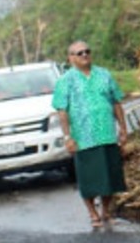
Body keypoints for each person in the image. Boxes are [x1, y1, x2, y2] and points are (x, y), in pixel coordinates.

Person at [53, 41, 128, 229]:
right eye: (79, 53)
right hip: (83, 138)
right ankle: (92, 213)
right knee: (88, 179)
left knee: (109, 176)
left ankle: (106, 211)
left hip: (106, 134)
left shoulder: (104, 74)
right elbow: (62, 110)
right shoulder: (65, 81)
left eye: (87, 51)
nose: (84, 55)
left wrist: (123, 129)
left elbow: (116, 102)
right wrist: (68, 137)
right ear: (70, 58)